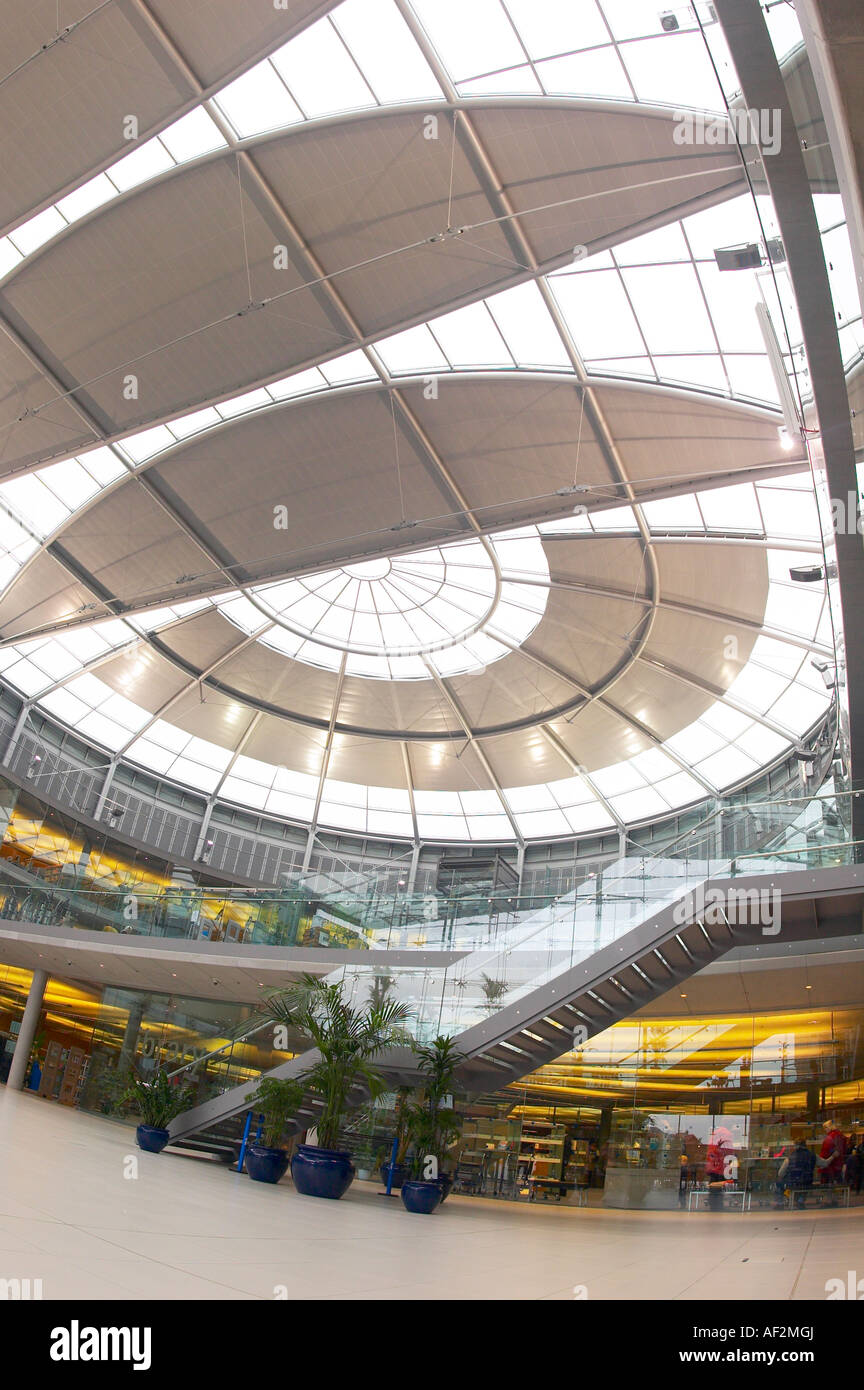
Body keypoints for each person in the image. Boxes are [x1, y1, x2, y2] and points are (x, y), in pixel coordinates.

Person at [774, 1138, 816, 1209]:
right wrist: (833, 1156)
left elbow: (780, 1173)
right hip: (807, 1181)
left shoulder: (790, 1158)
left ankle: (780, 1203)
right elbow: (824, 1163)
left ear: (796, 1146)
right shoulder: (813, 1155)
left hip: (793, 1182)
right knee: (804, 1182)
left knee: (779, 1182)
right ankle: (800, 1201)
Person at [817, 1119, 847, 1204]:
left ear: (828, 1127)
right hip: (837, 1164)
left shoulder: (831, 1137)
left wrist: (822, 1162)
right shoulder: (840, 1136)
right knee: (835, 1182)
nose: (825, 1131)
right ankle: (834, 1200)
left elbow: (826, 1151)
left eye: (825, 1128)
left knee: (828, 1184)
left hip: (830, 1165)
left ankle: (830, 1201)